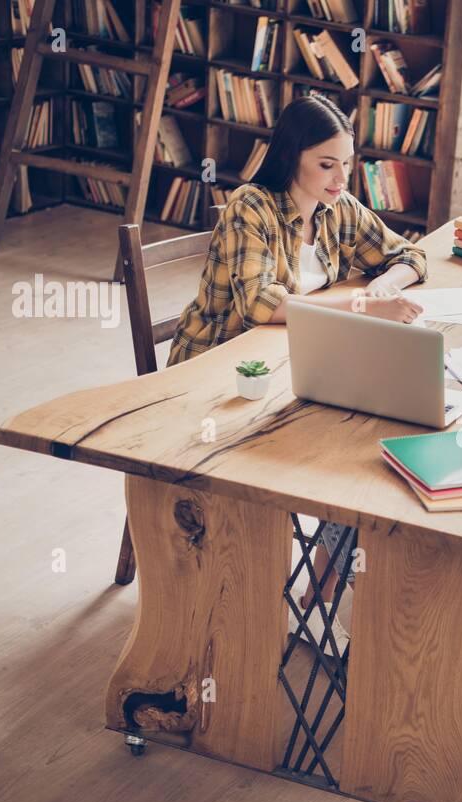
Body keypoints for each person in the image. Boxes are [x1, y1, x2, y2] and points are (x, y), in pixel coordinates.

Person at [166, 93, 427, 619]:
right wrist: (365, 305)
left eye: (347, 164)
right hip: (221, 373)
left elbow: (411, 254)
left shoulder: (338, 210)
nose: (340, 178)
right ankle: (290, 590)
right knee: (347, 437)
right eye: (326, 164)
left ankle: (323, 584)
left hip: (294, 362)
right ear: (292, 157)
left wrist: (385, 282)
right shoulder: (250, 205)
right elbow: (261, 303)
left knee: (368, 442)